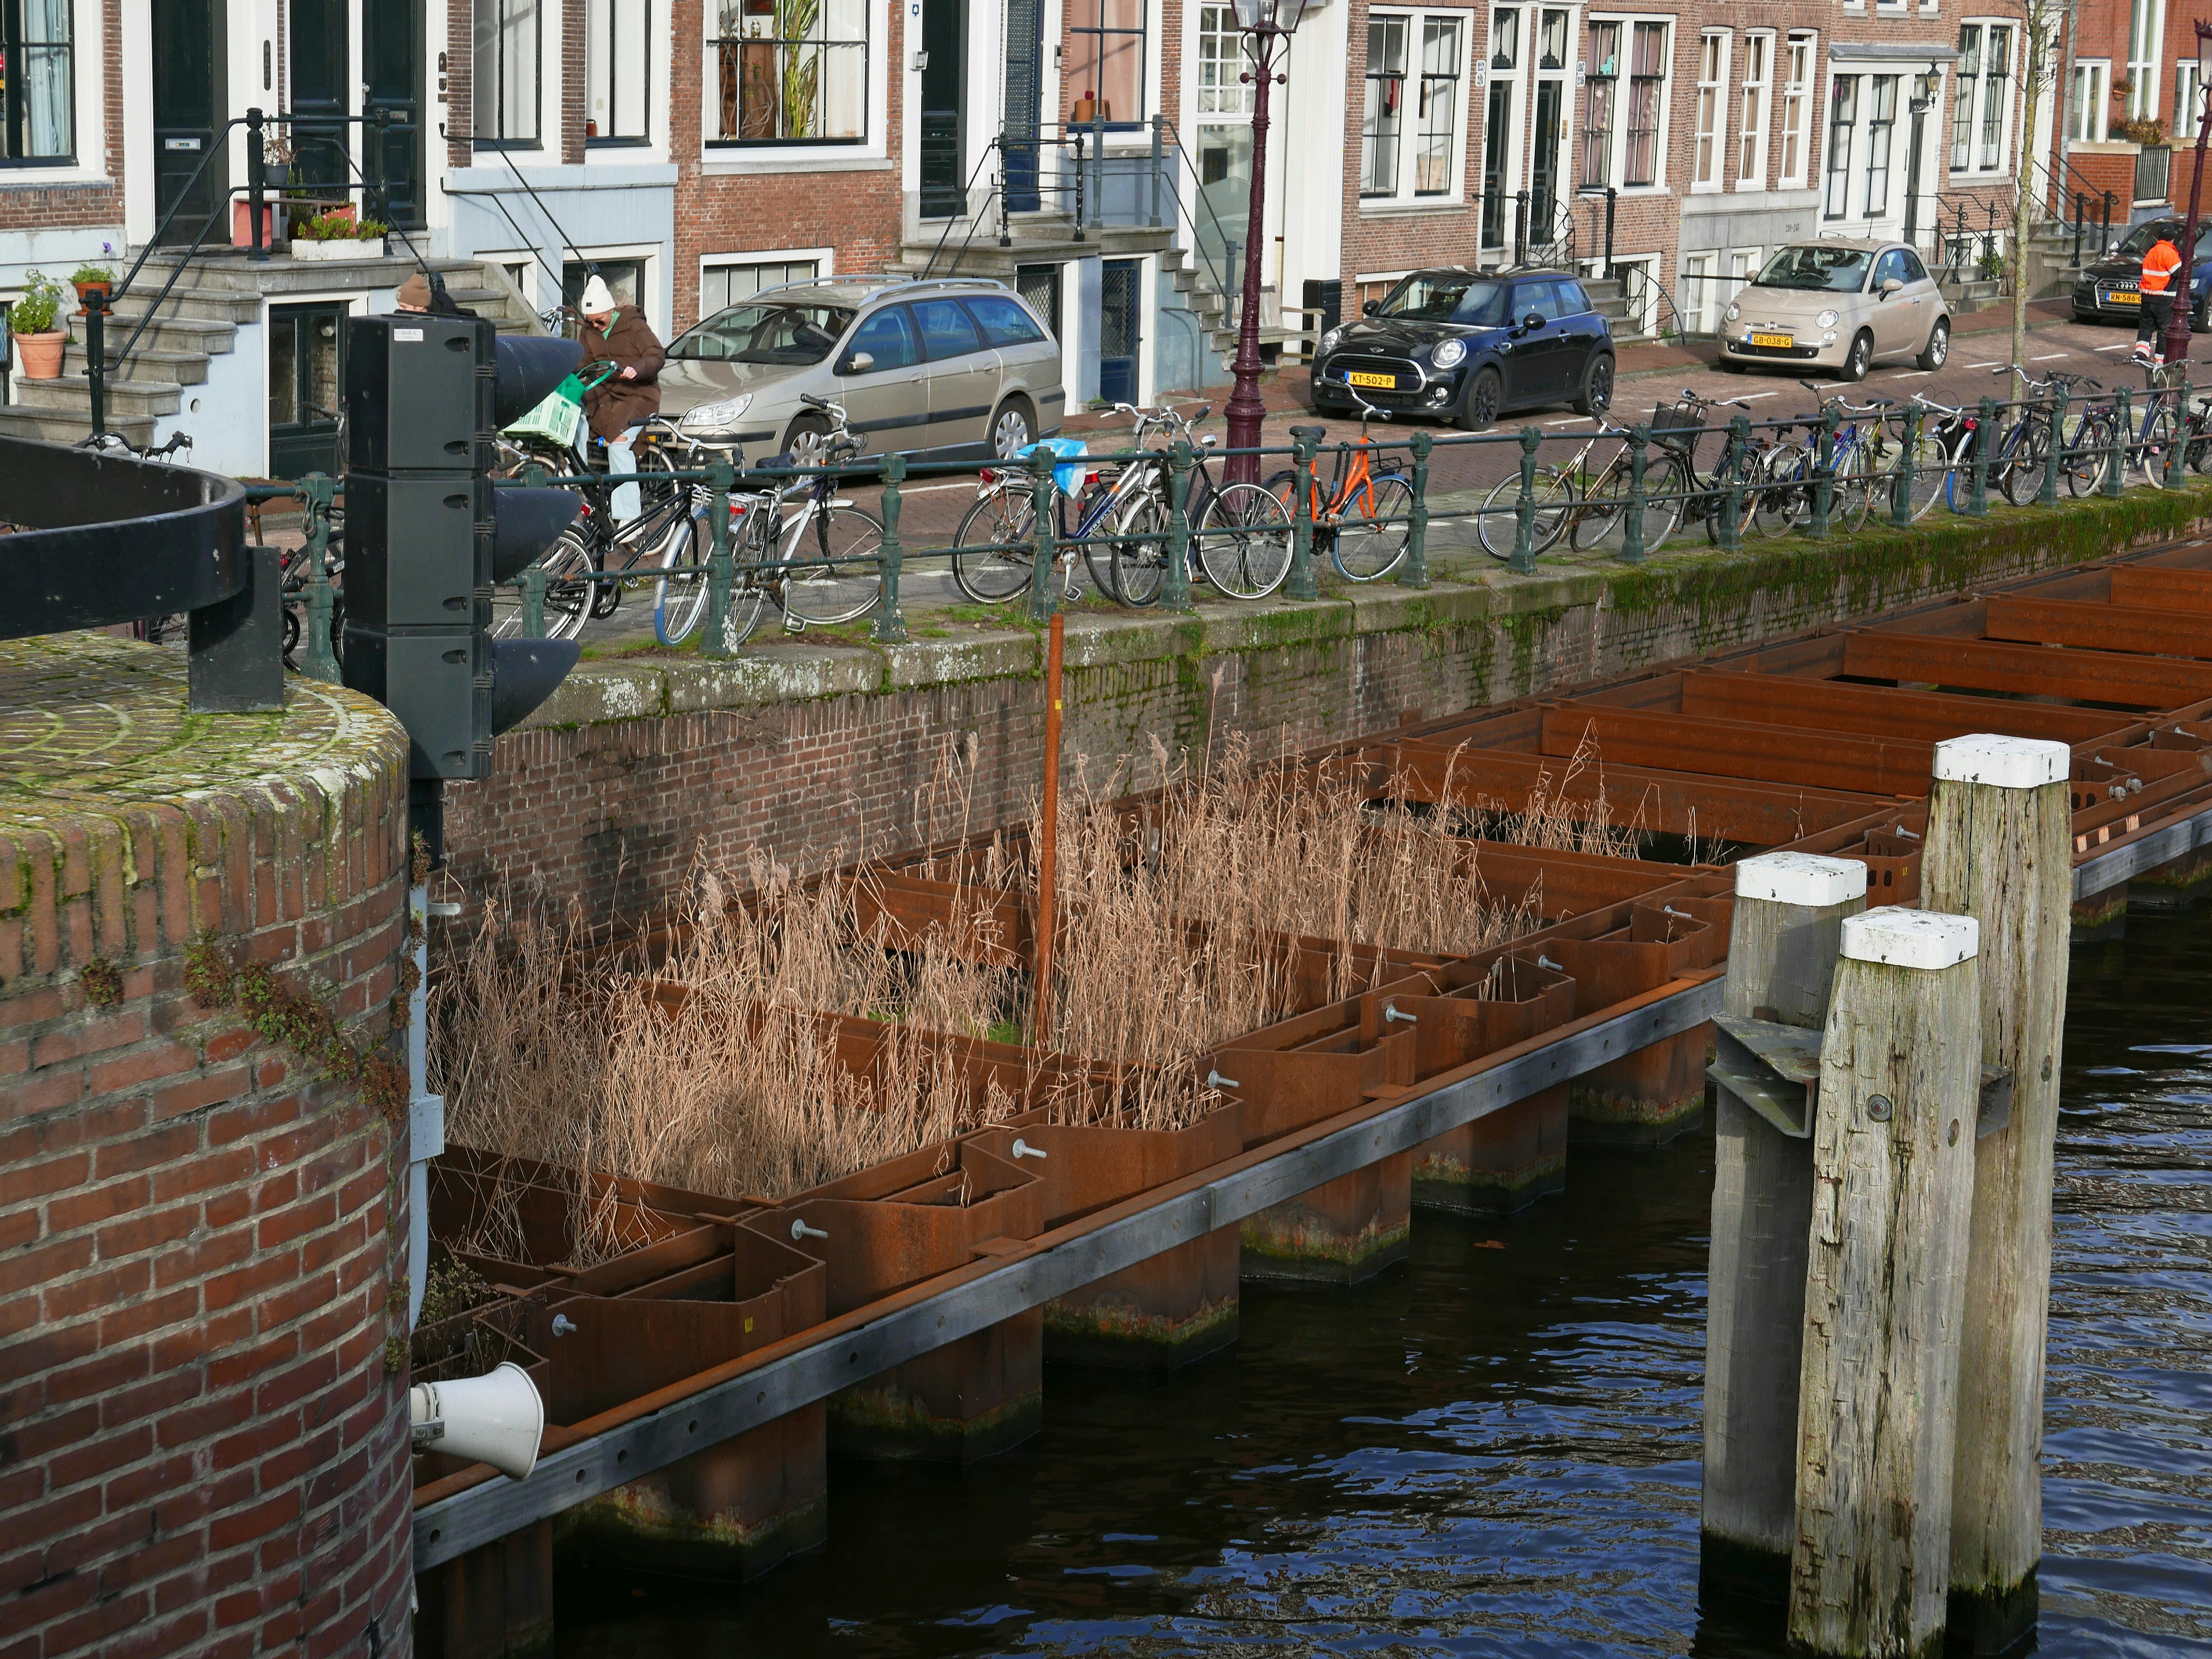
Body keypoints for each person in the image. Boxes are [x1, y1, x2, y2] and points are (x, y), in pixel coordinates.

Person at [576, 274, 664, 523]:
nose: (595, 327)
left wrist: (639, 368)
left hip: (639, 395)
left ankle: (630, 520)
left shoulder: (634, 326)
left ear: (610, 311)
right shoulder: (589, 331)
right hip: (605, 393)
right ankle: (583, 488)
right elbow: (583, 362)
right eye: (590, 322)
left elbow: (656, 355)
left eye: (599, 322)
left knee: (618, 446)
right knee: (574, 422)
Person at [2135, 228, 2182, 363]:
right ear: (2172, 239)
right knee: (2164, 330)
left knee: (2146, 326)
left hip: (2147, 296)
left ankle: (2141, 351)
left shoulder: (2151, 252)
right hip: (2163, 297)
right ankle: (2160, 360)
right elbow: (2178, 273)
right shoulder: (2169, 253)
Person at [393, 271, 475, 317]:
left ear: (420, 307)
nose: (400, 310)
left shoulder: (450, 323)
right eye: (400, 305)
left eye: (404, 306)